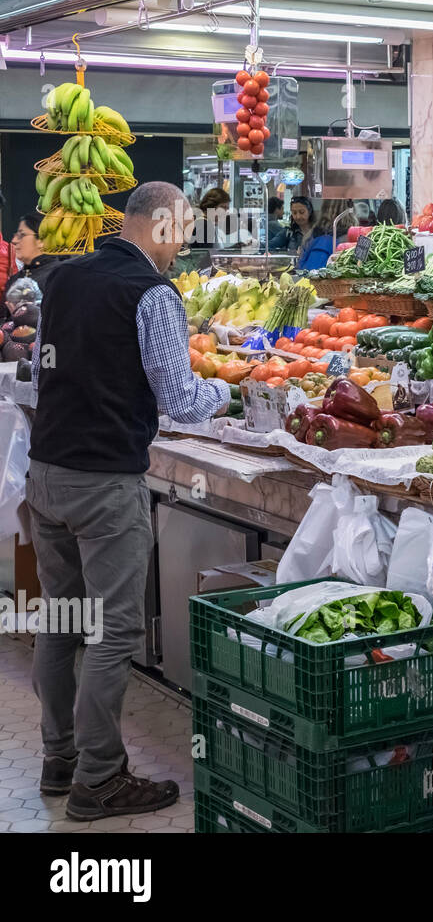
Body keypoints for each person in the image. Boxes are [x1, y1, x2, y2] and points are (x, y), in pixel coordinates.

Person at [26, 181, 229, 821]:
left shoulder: (59, 278)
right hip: (105, 483)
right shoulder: (152, 294)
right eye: (187, 226)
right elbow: (180, 399)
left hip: (47, 472)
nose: (188, 241)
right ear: (161, 223)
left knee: (61, 620)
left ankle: (59, 760)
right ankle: (99, 780)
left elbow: (40, 371)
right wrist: (232, 397)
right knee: (113, 632)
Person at [11, 212, 60, 294]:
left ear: (41, 240)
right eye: (16, 235)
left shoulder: (57, 276)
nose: (14, 240)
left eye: (22, 235)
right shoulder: (15, 279)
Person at [291, 196, 334, 270]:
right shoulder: (288, 233)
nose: (298, 216)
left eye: (302, 212)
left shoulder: (318, 234)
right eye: (294, 213)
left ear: (309, 211)